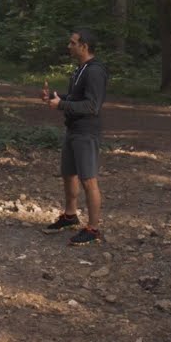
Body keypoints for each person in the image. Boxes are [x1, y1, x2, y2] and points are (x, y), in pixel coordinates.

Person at [41, 29, 109, 246]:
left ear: (84, 46)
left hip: (86, 132)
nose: (69, 46)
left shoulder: (95, 71)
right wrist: (55, 97)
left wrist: (61, 104)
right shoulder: (81, 69)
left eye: (73, 43)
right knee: (69, 173)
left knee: (88, 180)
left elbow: (92, 106)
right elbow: (76, 97)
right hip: (73, 129)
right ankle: (70, 216)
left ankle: (93, 228)